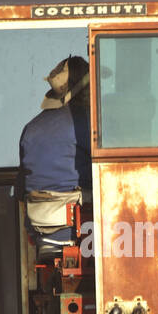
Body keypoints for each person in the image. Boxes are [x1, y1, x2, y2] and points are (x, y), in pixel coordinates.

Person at [19, 55, 91, 252]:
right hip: (78, 228)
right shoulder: (85, 124)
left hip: (40, 231)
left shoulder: (30, 129)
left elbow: (21, 188)